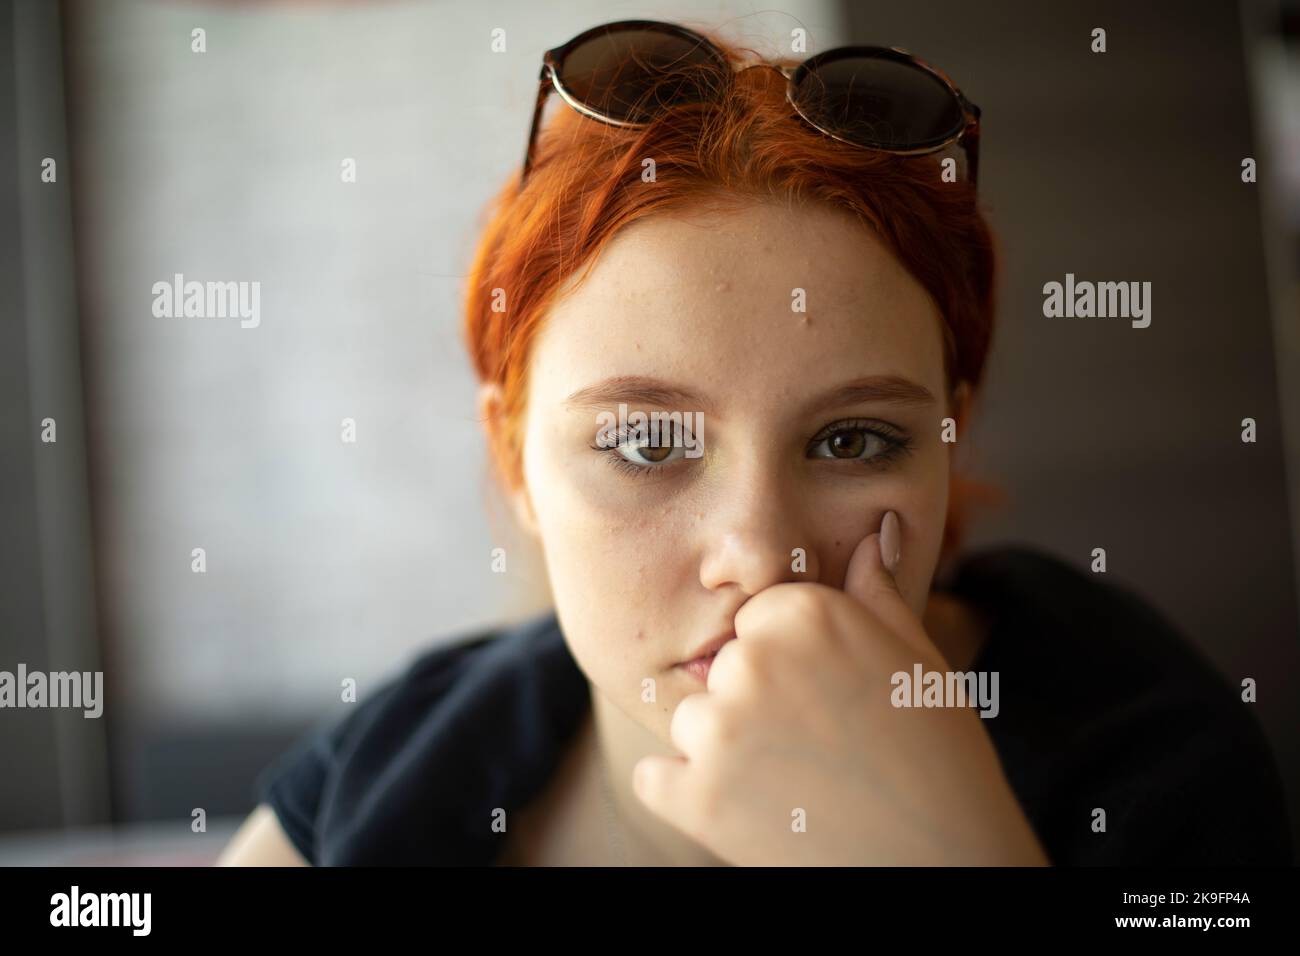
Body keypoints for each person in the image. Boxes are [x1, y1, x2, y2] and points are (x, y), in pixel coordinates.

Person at [217, 21, 1291, 867]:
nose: (761, 553)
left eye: (854, 437)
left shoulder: (1143, 751)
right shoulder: (399, 761)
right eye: (643, 443)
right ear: (515, 459)